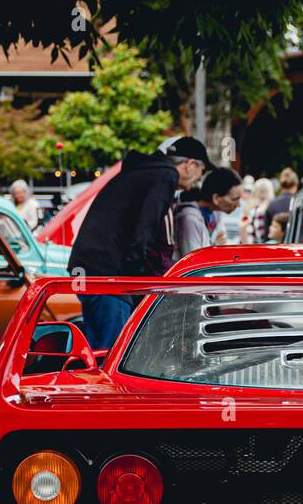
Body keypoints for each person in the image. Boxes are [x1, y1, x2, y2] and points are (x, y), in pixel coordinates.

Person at [68, 136, 208, 349]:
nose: (194, 184)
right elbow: (144, 231)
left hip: (88, 266)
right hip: (110, 274)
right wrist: (138, 282)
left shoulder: (143, 171)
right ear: (189, 165)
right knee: (113, 351)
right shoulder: (165, 175)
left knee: (98, 349)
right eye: (200, 173)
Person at [173, 167, 242, 258]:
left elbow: (223, 247)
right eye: (234, 199)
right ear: (216, 198)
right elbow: (193, 262)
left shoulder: (216, 214)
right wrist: (214, 247)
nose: (238, 205)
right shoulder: (189, 219)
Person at [241, 176, 275, 245]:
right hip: (258, 248)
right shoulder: (262, 210)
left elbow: (242, 228)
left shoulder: (249, 208)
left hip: (249, 247)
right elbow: (261, 236)